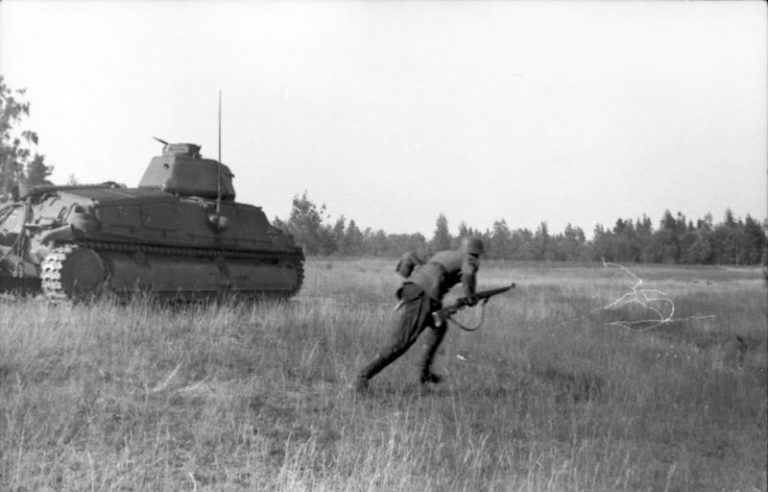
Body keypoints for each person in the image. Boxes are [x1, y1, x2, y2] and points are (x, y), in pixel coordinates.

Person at [353, 237, 485, 392]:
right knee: (400, 343)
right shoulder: (469, 259)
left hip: (415, 290)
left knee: (439, 327)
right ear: (476, 252)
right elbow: (468, 273)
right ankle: (362, 377)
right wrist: (470, 296)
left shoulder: (444, 254)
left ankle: (424, 374)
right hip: (425, 296)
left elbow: (409, 256)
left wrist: (408, 275)